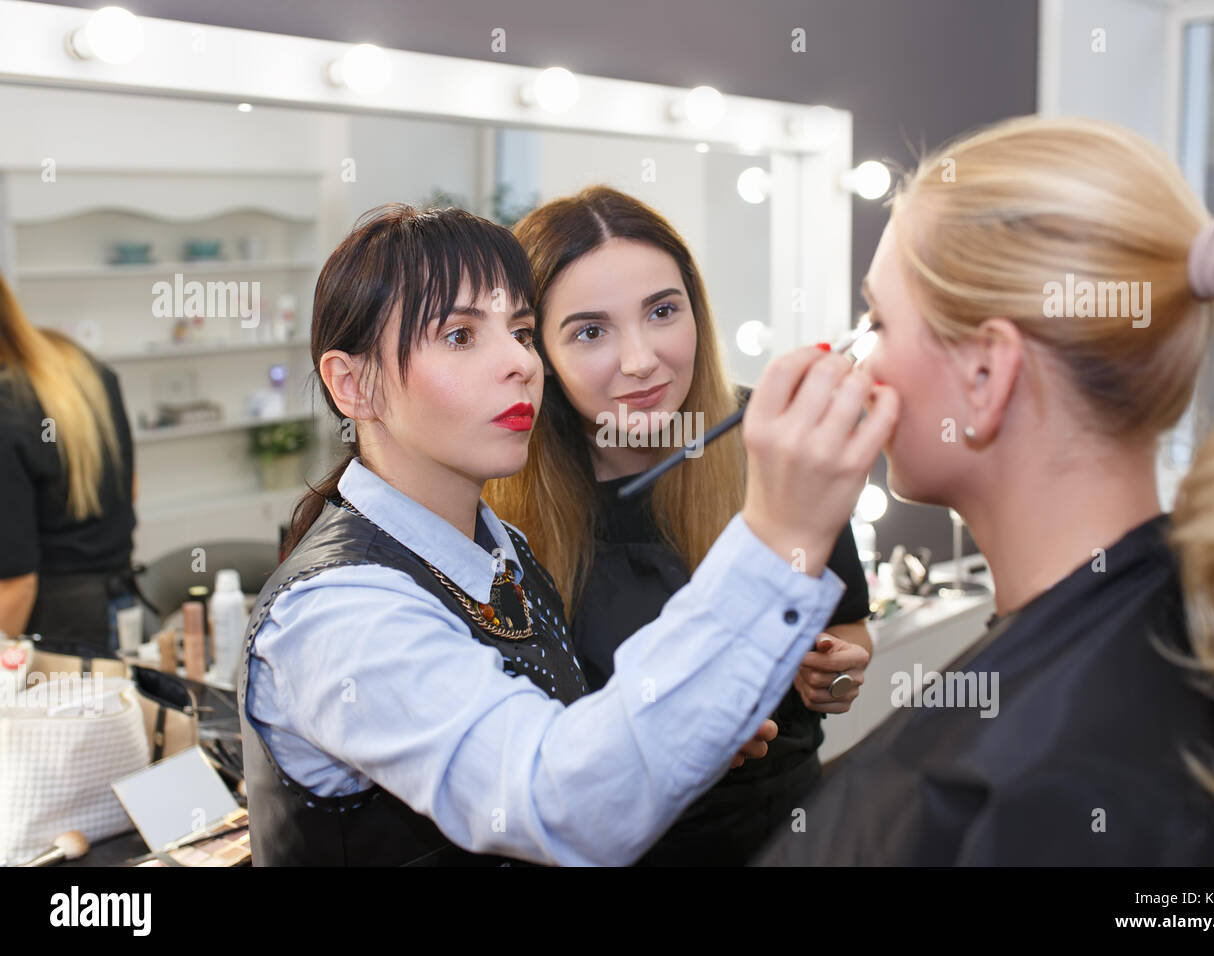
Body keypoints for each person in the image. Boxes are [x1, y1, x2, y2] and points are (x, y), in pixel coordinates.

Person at [237, 203, 897, 866]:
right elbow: (558, 804)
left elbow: (578, 745)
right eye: (462, 337)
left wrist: (689, 730)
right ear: (352, 384)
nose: (520, 363)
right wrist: (775, 535)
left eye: (520, 332)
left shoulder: (500, 552)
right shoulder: (340, 612)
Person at [756, 114, 1214, 865]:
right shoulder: (1189, 626)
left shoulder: (1025, 783)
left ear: (986, 375)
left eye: (877, 319)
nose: (855, 365)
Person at [485, 186, 872, 865]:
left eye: (662, 312)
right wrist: (678, 739)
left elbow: (845, 634)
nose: (640, 359)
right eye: (590, 331)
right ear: (536, 349)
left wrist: (834, 678)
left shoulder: (775, 440)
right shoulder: (500, 506)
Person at [0, 271, 137, 648]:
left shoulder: (6, 408)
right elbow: (130, 486)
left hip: (56, 630)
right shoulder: (68, 361)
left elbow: (16, 583)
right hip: (118, 599)